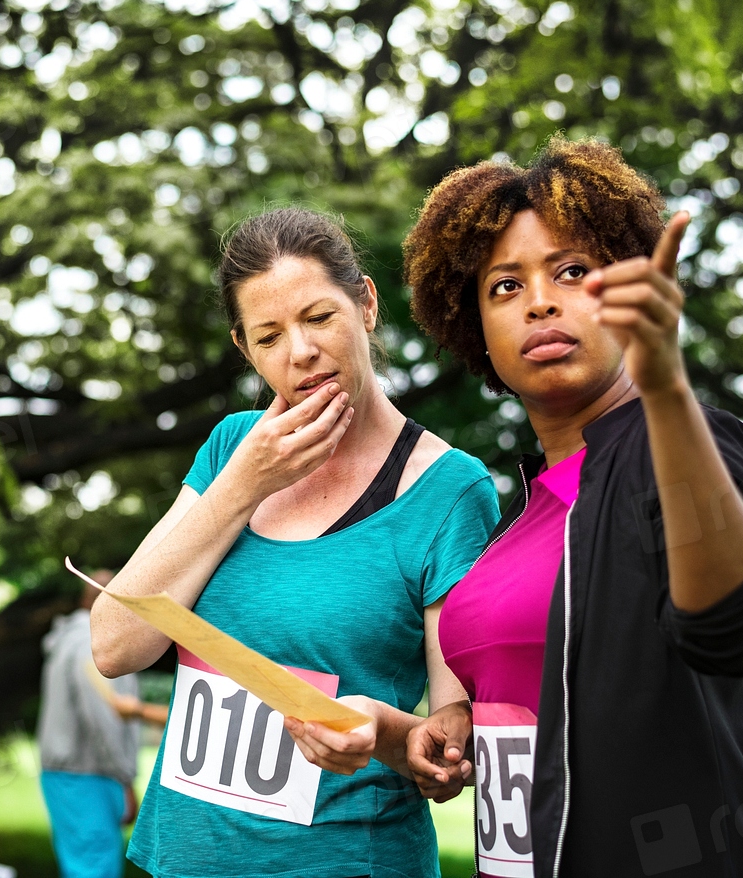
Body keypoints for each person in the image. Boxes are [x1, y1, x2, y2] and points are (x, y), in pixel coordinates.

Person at [401, 137, 743, 877]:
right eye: (505, 287)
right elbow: (529, 706)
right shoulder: (515, 517)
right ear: (476, 332)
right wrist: (425, 730)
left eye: (573, 271)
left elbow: (734, 631)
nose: (542, 300)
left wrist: (669, 390)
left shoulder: (686, 442)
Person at [90, 208, 501, 877]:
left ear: (366, 304)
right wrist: (244, 483)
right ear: (244, 349)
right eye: (269, 336)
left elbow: (450, 749)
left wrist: (379, 727)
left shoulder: (450, 491)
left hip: (343, 861)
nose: (300, 352)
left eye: (318, 317)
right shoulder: (232, 447)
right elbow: (115, 644)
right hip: (182, 860)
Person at [37, 570, 166, 878]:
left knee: (82, 865)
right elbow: (101, 718)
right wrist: (124, 777)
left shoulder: (71, 639)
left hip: (69, 775)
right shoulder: (90, 645)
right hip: (89, 775)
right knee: (94, 868)